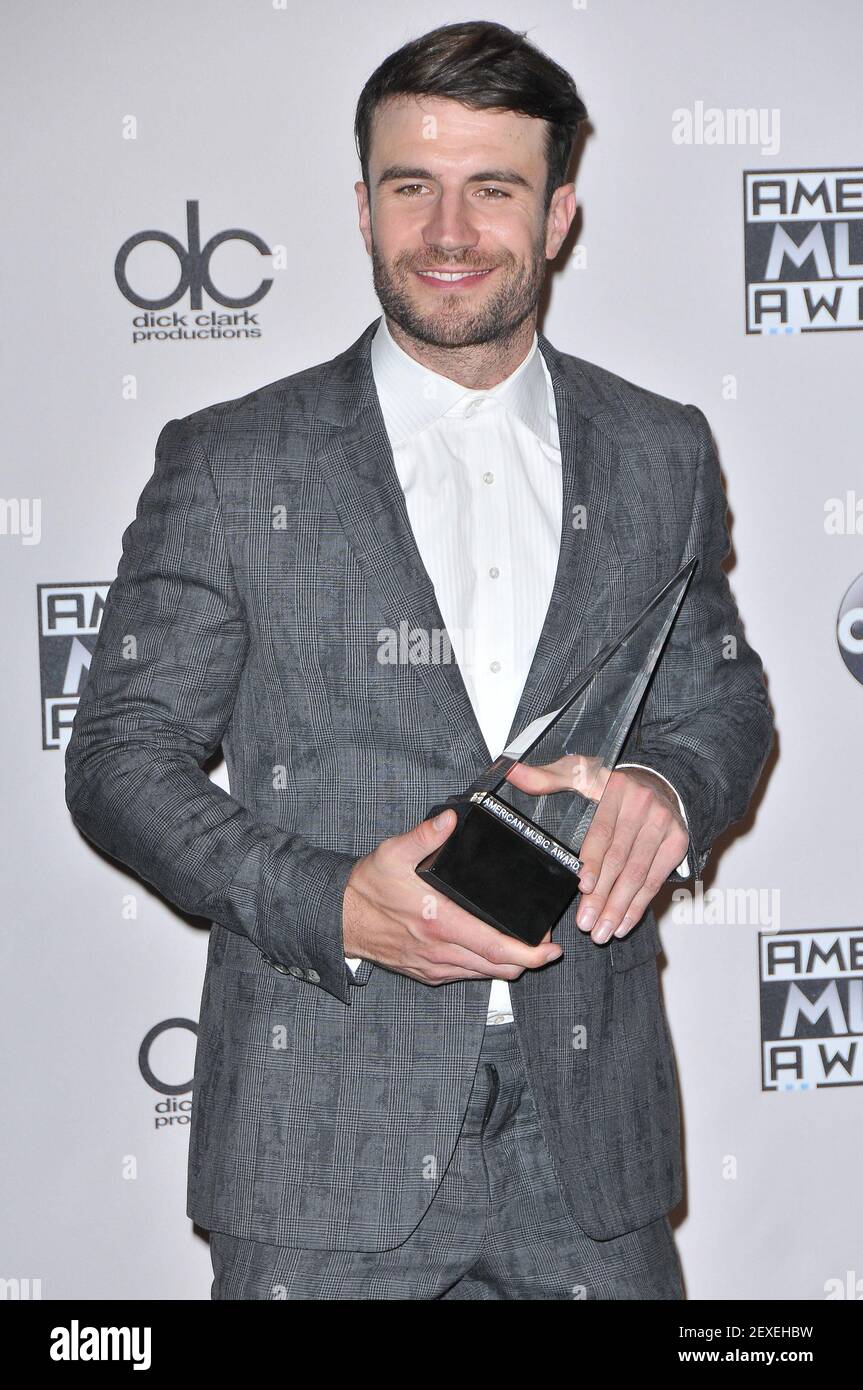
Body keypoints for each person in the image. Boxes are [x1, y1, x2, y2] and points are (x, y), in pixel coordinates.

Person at [65, 20, 774, 1300]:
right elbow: (120, 755)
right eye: (412, 187)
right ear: (360, 205)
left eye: (492, 189)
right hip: (316, 1140)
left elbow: (718, 692)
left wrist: (665, 789)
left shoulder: (659, 448)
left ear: (557, 213)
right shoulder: (233, 462)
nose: (448, 231)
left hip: (589, 1146)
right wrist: (326, 897)